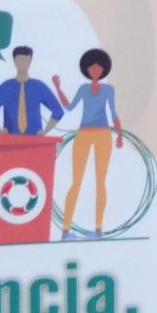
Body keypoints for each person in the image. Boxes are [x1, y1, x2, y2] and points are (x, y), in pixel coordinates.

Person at [59, 48, 123, 236]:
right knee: (76, 182)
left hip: (103, 134)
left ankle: (98, 229)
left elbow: (114, 114)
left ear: (103, 69)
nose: (95, 70)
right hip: (84, 134)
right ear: (86, 69)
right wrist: (58, 87)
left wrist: (119, 135)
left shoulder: (108, 90)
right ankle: (65, 230)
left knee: (100, 182)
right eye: (92, 67)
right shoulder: (83, 89)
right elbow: (69, 107)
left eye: (98, 67)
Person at [0, 46, 63, 136]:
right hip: (10, 140)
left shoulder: (38, 86)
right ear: (14, 61)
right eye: (20, 61)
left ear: (30, 62)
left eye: (26, 61)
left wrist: (45, 131)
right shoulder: (6, 87)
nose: (23, 64)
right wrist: (0, 130)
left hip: (35, 141)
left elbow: (58, 111)